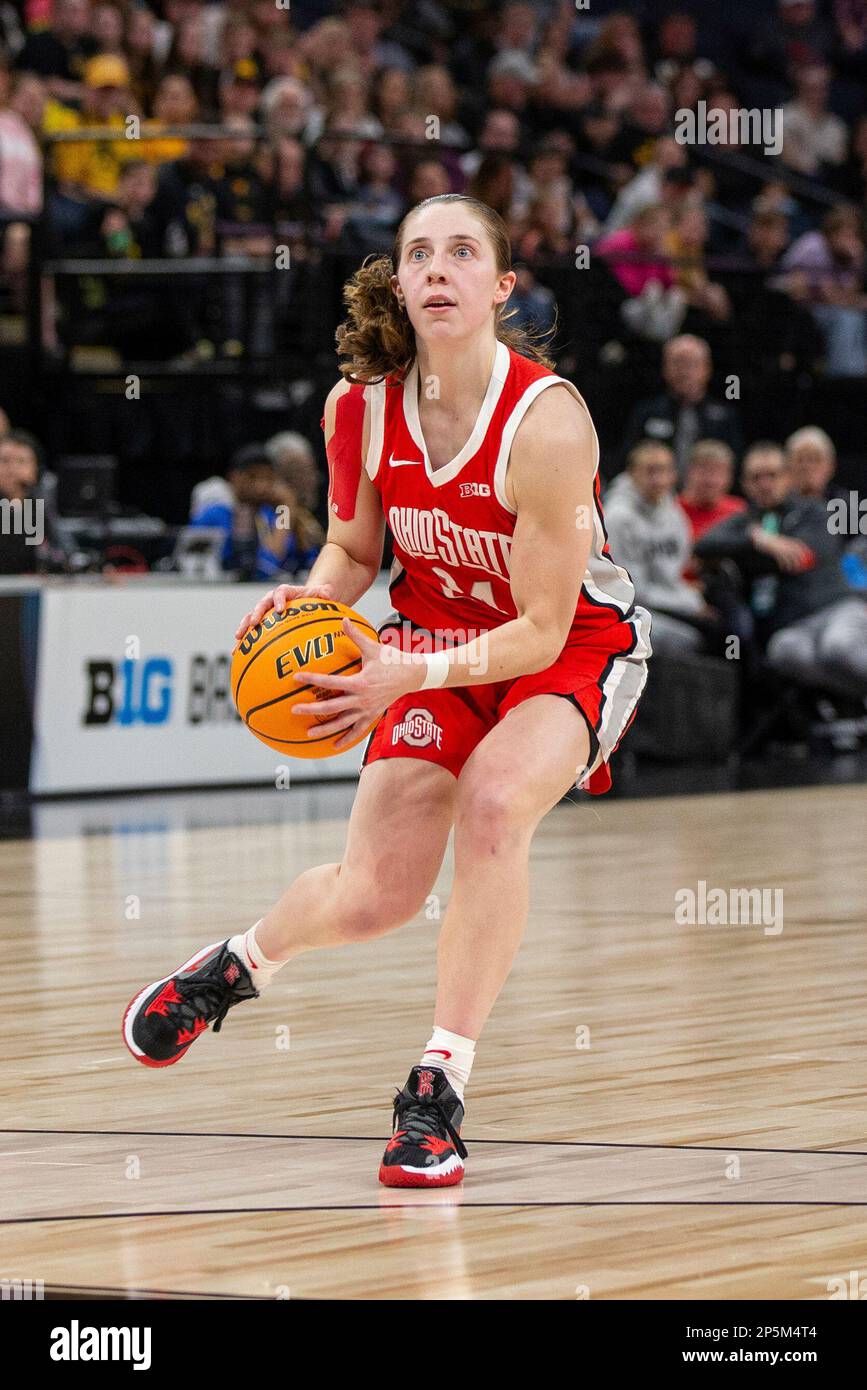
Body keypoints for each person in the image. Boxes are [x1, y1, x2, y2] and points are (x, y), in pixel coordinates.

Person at [123, 193, 652, 1189]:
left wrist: (408, 669)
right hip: (428, 639)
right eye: (420, 253)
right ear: (401, 285)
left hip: (570, 649)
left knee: (494, 803)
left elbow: (540, 628)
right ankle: (234, 966)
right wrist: (305, 603)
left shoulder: (546, 421)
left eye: (463, 252)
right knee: (376, 895)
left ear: (500, 286)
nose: (439, 269)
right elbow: (354, 547)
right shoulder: (357, 406)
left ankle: (437, 1087)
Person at [694, 443, 867, 700]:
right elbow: (704, 545)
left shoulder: (814, 510)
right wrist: (759, 539)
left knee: (837, 646)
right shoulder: (748, 523)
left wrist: (750, 554)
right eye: (756, 478)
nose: (765, 484)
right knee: (784, 653)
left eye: (773, 475)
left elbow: (802, 557)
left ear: (788, 477)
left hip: (835, 609)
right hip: (791, 626)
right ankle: (850, 707)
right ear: (745, 484)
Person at [604, 440, 710, 654]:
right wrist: (690, 603)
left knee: (726, 627)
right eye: (650, 471)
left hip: (666, 600)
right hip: (626, 608)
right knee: (689, 639)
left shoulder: (672, 509)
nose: (658, 480)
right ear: (632, 473)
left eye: (664, 471)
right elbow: (632, 590)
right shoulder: (618, 517)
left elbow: (677, 568)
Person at [618, 334, 743, 482]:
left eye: (692, 364)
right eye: (678, 363)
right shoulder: (646, 412)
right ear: (665, 368)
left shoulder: (724, 416)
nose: (684, 371)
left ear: (707, 369)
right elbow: (628, 460)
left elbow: (736, 464)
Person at [189, 443, 321, 580]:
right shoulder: (213, 516)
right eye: (252, 477)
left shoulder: (272, 515)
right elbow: (264, 569)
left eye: (268, 478)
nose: (261, 486)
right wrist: (287, 508)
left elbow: (309, 562)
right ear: (233, 477)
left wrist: (289, 516)